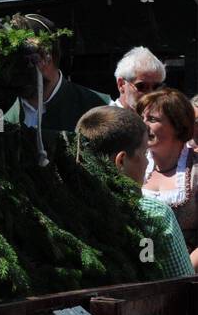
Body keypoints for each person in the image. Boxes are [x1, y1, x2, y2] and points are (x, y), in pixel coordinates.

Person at [75, 106, 193, 279]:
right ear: (121, 161)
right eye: (145, 153)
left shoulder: (54, 205)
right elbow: (181, 284)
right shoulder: (153, 214)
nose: (147, 162)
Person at [2, 14, 107, 131]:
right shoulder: (0, 111)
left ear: (47, 56)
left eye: (21, 60)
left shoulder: (97, 107)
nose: (12, 70)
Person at [138, 88, 198, 258]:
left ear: (178, 125)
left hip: (187, 275)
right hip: (143, 266)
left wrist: (183, 273)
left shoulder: (195, 170)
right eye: (141, 118)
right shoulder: (135, 163)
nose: (143, 125)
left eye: (151, 119)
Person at [112, 47, 166, 111]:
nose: (150, 93)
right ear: (121, 85)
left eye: (156, 87)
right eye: (141, 86)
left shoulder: (162, 118)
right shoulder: (104, 119)